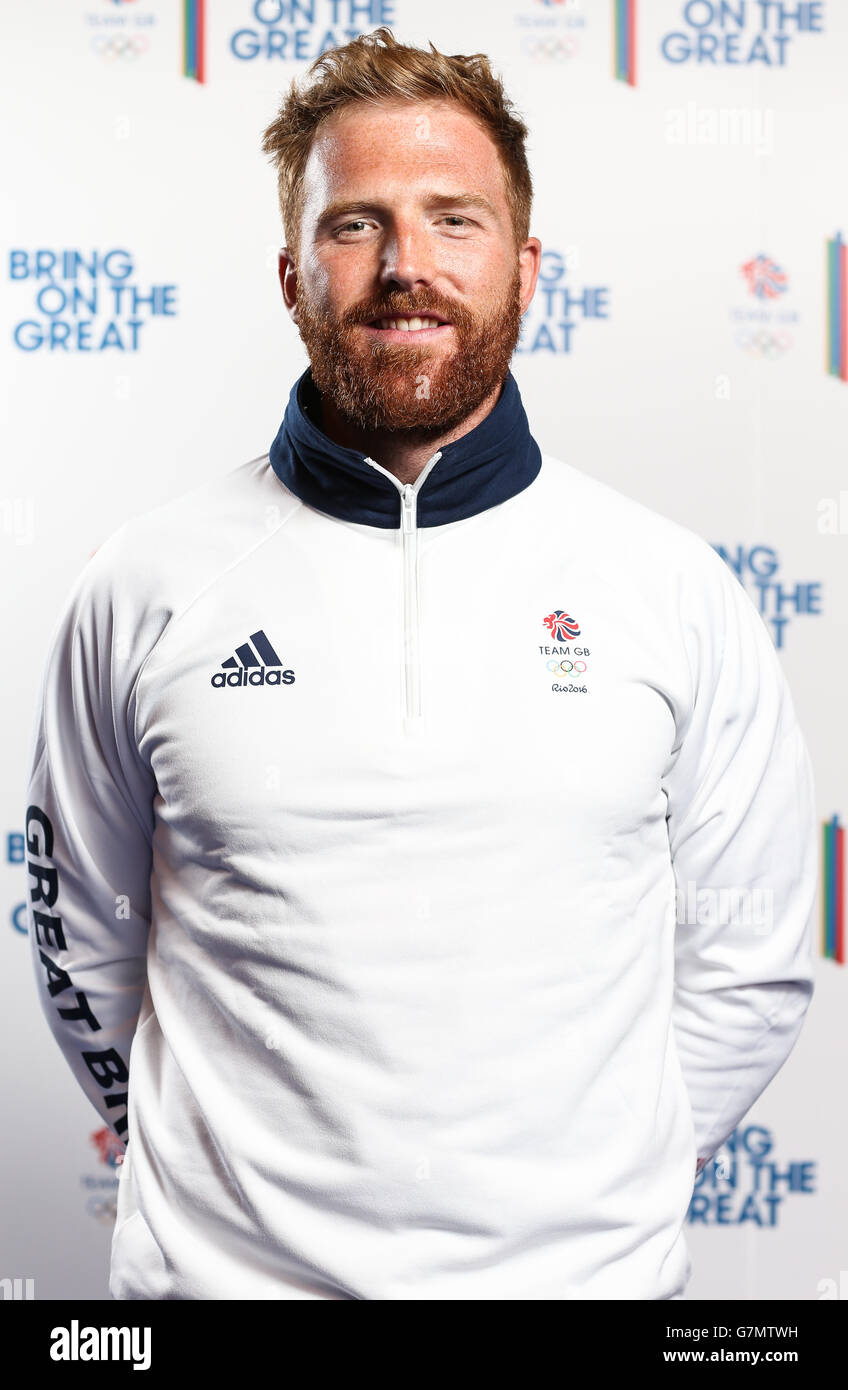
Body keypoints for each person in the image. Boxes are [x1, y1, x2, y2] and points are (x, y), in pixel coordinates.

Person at [24, 27, 816, 1301]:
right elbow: (83, 948)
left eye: (454, 220)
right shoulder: (146, 583)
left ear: (525, 266)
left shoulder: (669, 589)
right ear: (289, 276)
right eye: (356, 225)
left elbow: (752, 961)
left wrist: (585, 1200)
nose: (406, 268)